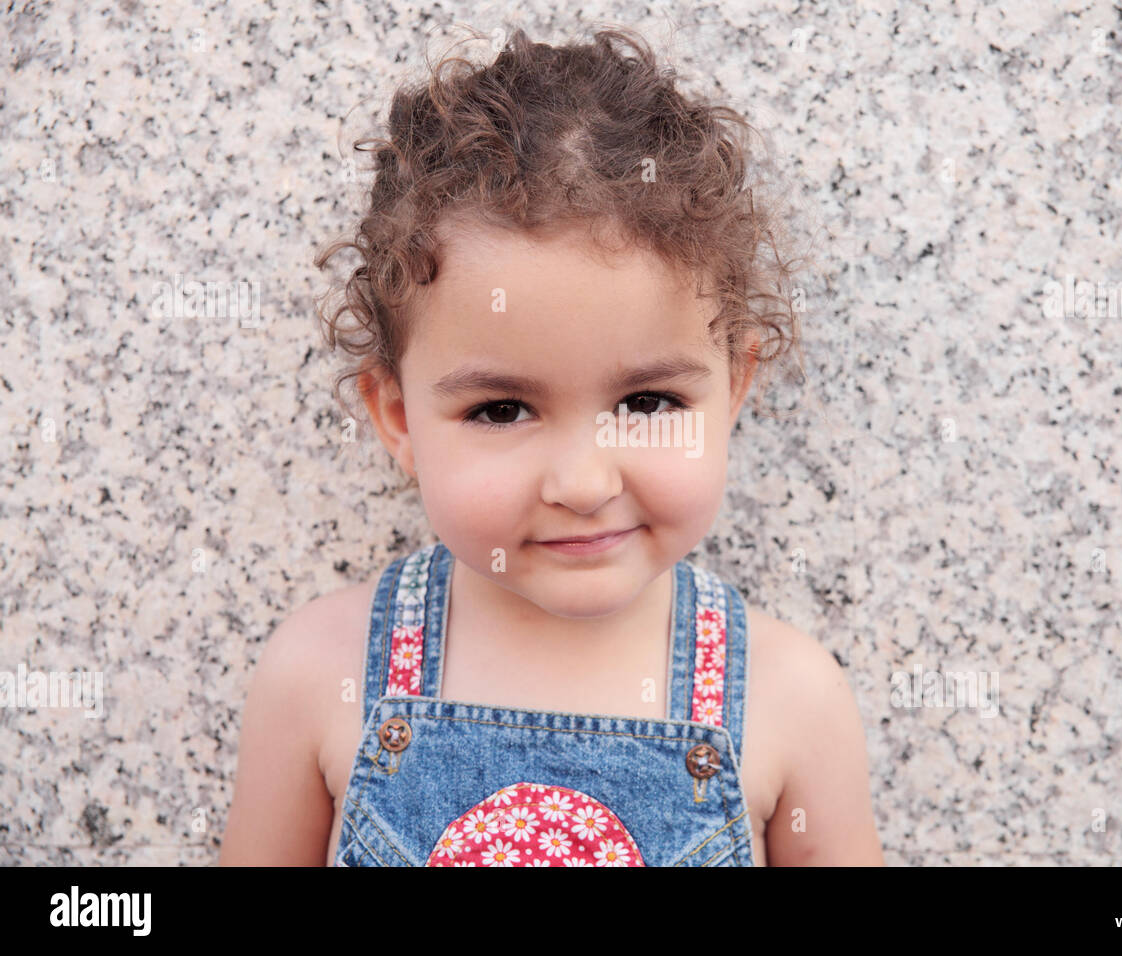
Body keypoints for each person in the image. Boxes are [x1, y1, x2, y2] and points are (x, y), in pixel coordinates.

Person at [221, 25, 884, 867]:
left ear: (734, 389)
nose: (581, 482)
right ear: (397, 420)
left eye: (648, 401)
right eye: (501, 411)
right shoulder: (321, 674)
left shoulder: (792, 701)